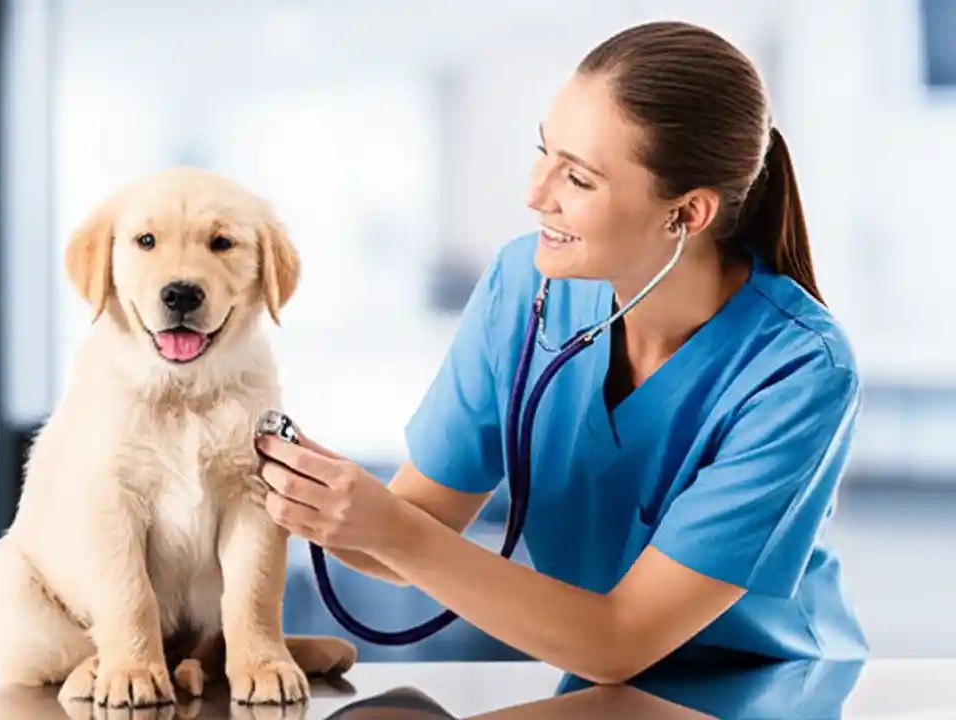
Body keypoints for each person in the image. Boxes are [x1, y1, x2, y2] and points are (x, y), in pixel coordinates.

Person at [254, 20, 868, 684]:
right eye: (543, 152)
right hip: (599, 679)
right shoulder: (524, 286)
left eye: (577, 178)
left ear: (687, 214)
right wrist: (324, 499)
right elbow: (408, 534)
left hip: (764, 686)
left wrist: (390, 532)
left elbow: (619, 640)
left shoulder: (799, 372)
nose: (534, 194)